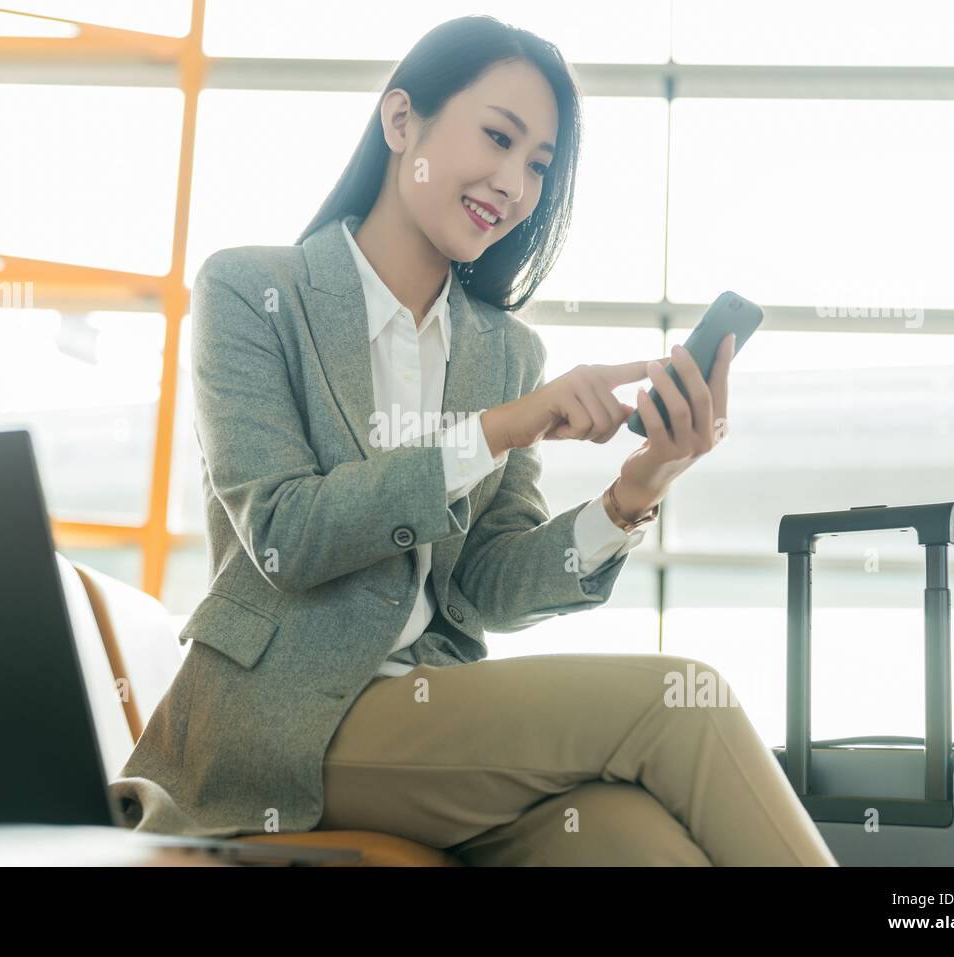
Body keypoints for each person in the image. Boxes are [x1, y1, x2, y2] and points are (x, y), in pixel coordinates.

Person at [117, 15, 838, 866]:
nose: (514, 184)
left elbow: (490, 584)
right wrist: (501, 427)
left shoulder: (504, 351)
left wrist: (635, 490)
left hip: (434, 723)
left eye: (537, 165)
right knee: (685, 705)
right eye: (498, 137)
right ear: (401, 124)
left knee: (637, 845)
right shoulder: (253, 290)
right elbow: (283, 532)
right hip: (287, 724)